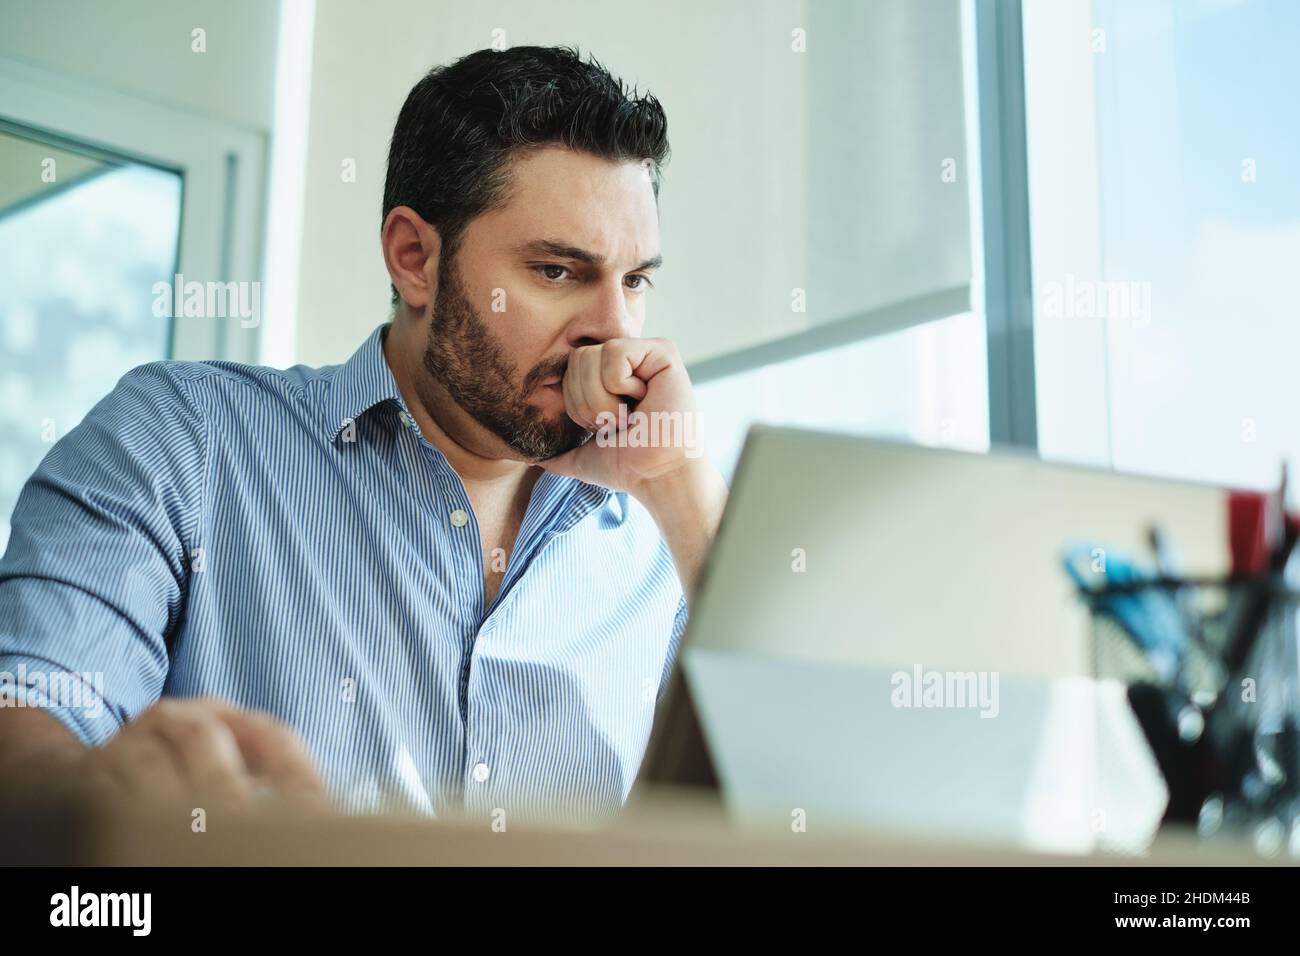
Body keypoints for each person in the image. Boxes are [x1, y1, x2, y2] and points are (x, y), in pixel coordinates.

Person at [0, 45, 727, 822]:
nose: (615, 331)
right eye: (557, 271)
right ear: (414, 258)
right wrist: (108, 800)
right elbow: (28, 735)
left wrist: (678, 489)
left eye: (636, 281)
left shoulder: (664, 547)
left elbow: (830, 795)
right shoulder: (182, 442)